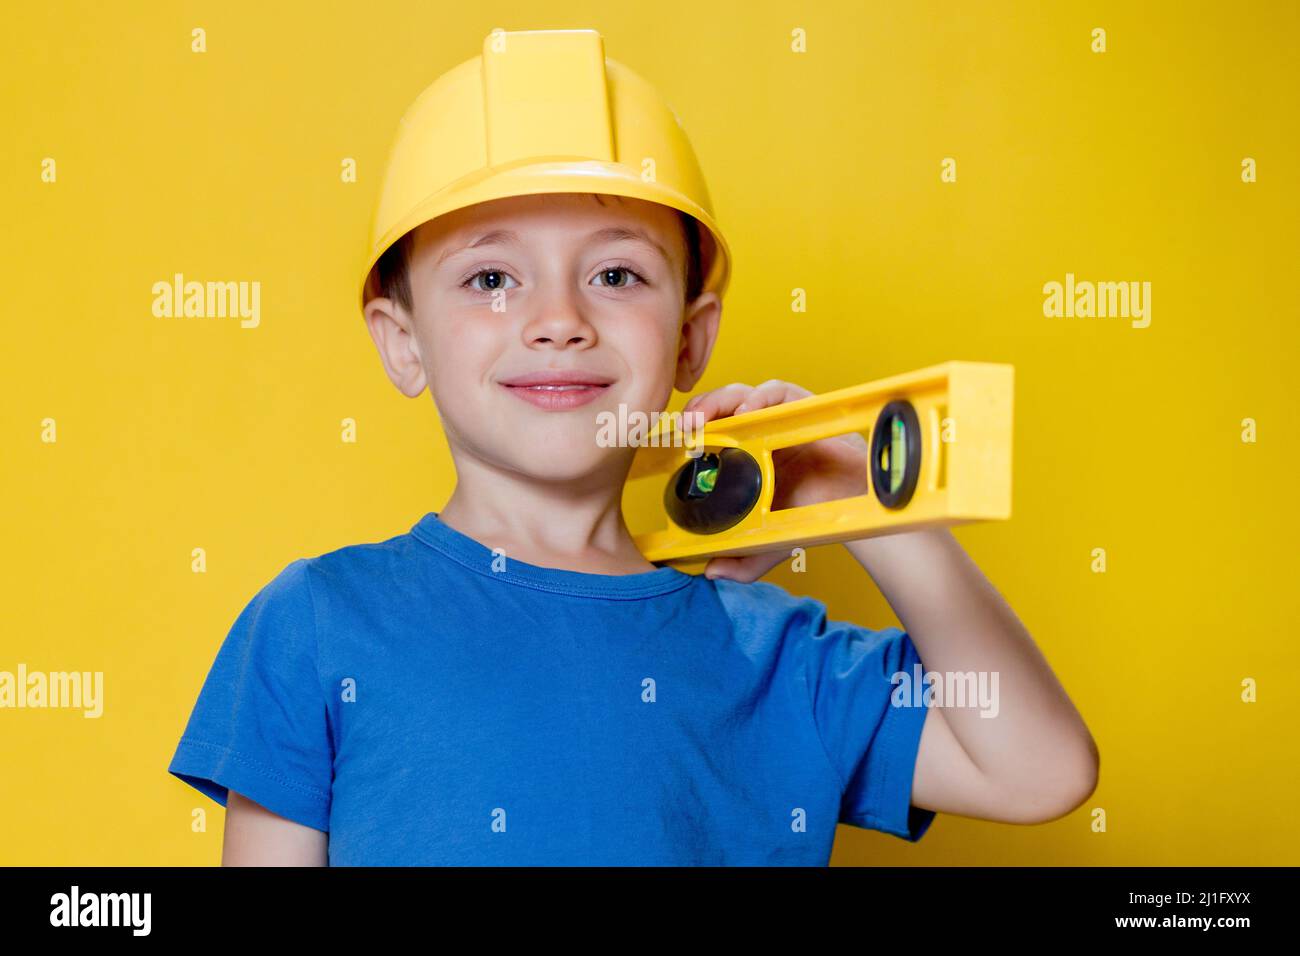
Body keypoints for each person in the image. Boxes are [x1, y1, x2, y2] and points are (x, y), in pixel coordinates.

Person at [167, 28, 1098, 866]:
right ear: (403, 341)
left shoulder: (776, 658)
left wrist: (863, 499)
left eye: (616, 273)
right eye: (491, 277)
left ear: (690, 340)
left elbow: (1041, 772)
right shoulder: (318, 625)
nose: (559, 320)